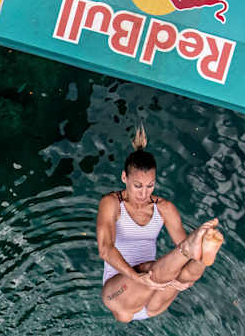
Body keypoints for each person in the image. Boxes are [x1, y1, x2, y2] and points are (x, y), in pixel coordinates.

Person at [96, 126, 224, 323]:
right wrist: (135, 277)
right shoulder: (112, 203)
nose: (144, 193)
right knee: (160, 271)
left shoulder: (164, 208)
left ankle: (202, 257)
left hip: (153, 294)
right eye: (137, 186)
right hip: (122, 290)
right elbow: (105, 250)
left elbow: (182, 261)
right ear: (124, 178)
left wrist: (185, 277)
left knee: (183, 270)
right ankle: (197, 256)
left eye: (150, 186)